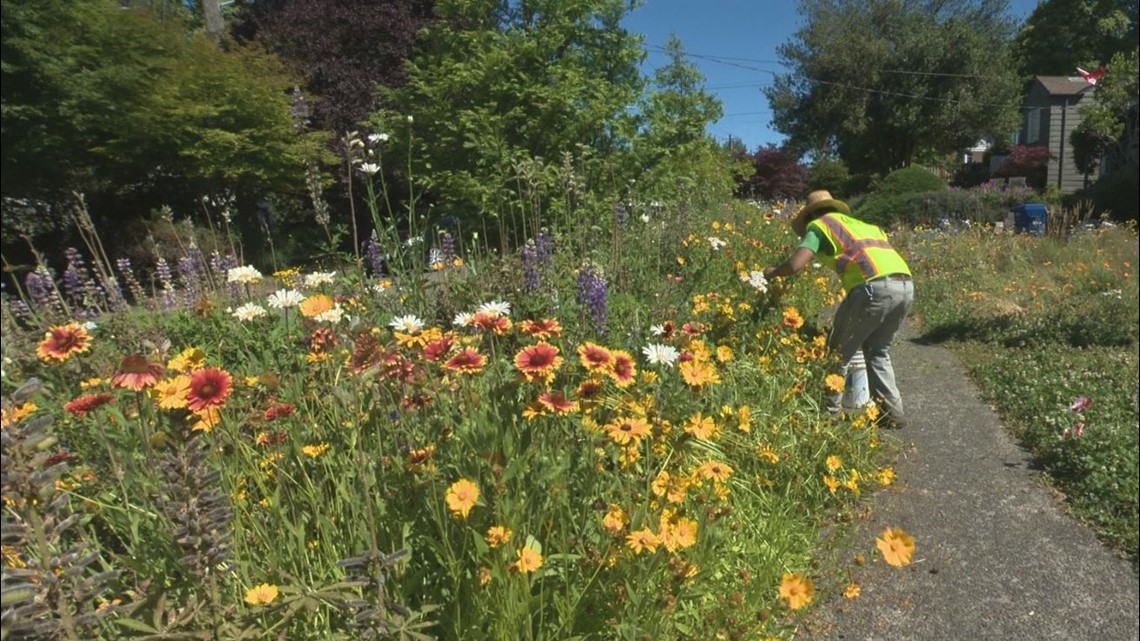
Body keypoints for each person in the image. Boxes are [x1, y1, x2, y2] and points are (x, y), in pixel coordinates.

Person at [764, 190, 915, 428]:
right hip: (905, 285)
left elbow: (795, 264)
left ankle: (828, 418)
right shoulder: (864, 225)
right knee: (878, 352)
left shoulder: (819, 225)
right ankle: (893, 416)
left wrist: (772, 273)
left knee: (837, 353)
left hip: (872, 287)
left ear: (811, 214)